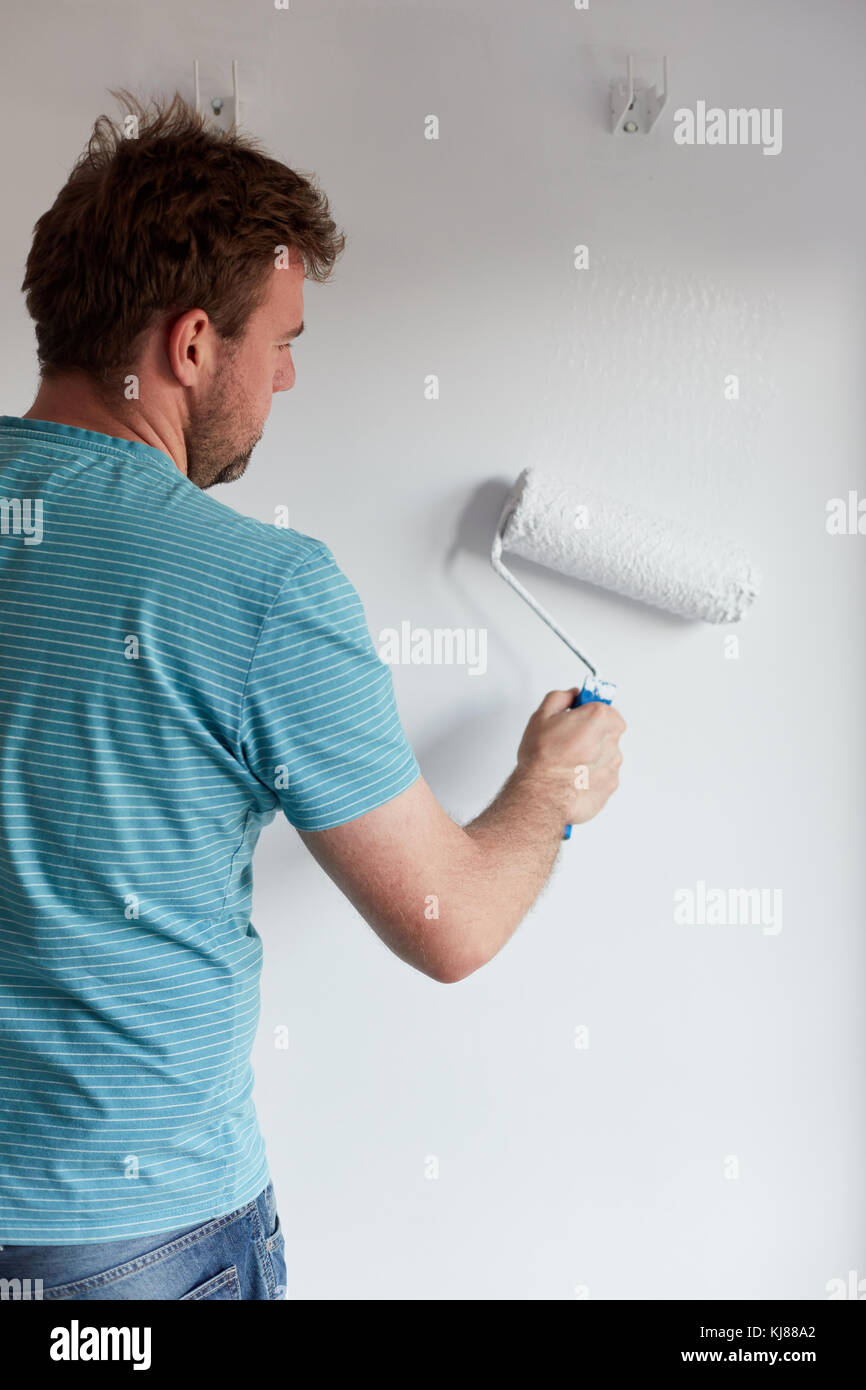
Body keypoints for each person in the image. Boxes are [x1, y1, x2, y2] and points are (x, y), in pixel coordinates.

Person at [0, 91, 625, 1300]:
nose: (285, 377)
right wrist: (547, 789)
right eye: (278, 339)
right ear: (189, 346)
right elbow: (448, 920)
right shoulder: (256, 588)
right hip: (130, 1251)